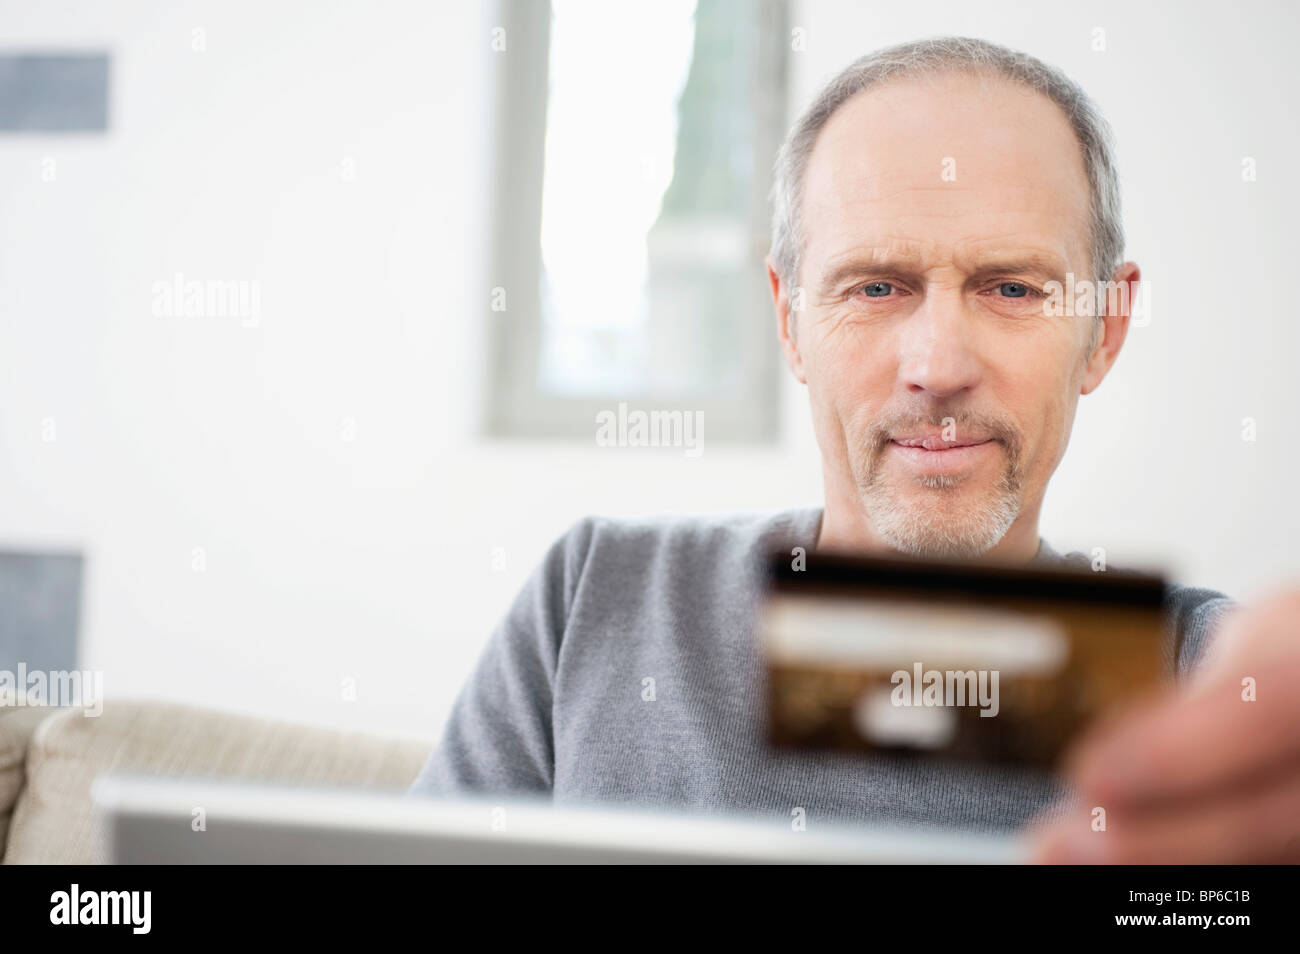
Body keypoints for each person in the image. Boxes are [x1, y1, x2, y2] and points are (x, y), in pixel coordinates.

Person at [412, 36, 1300, 864]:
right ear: (790, 322)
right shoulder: (594, 599)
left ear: (1104, 330)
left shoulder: (1215, 684)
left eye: (1013, 288)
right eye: (876, 286)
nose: (939, 367)